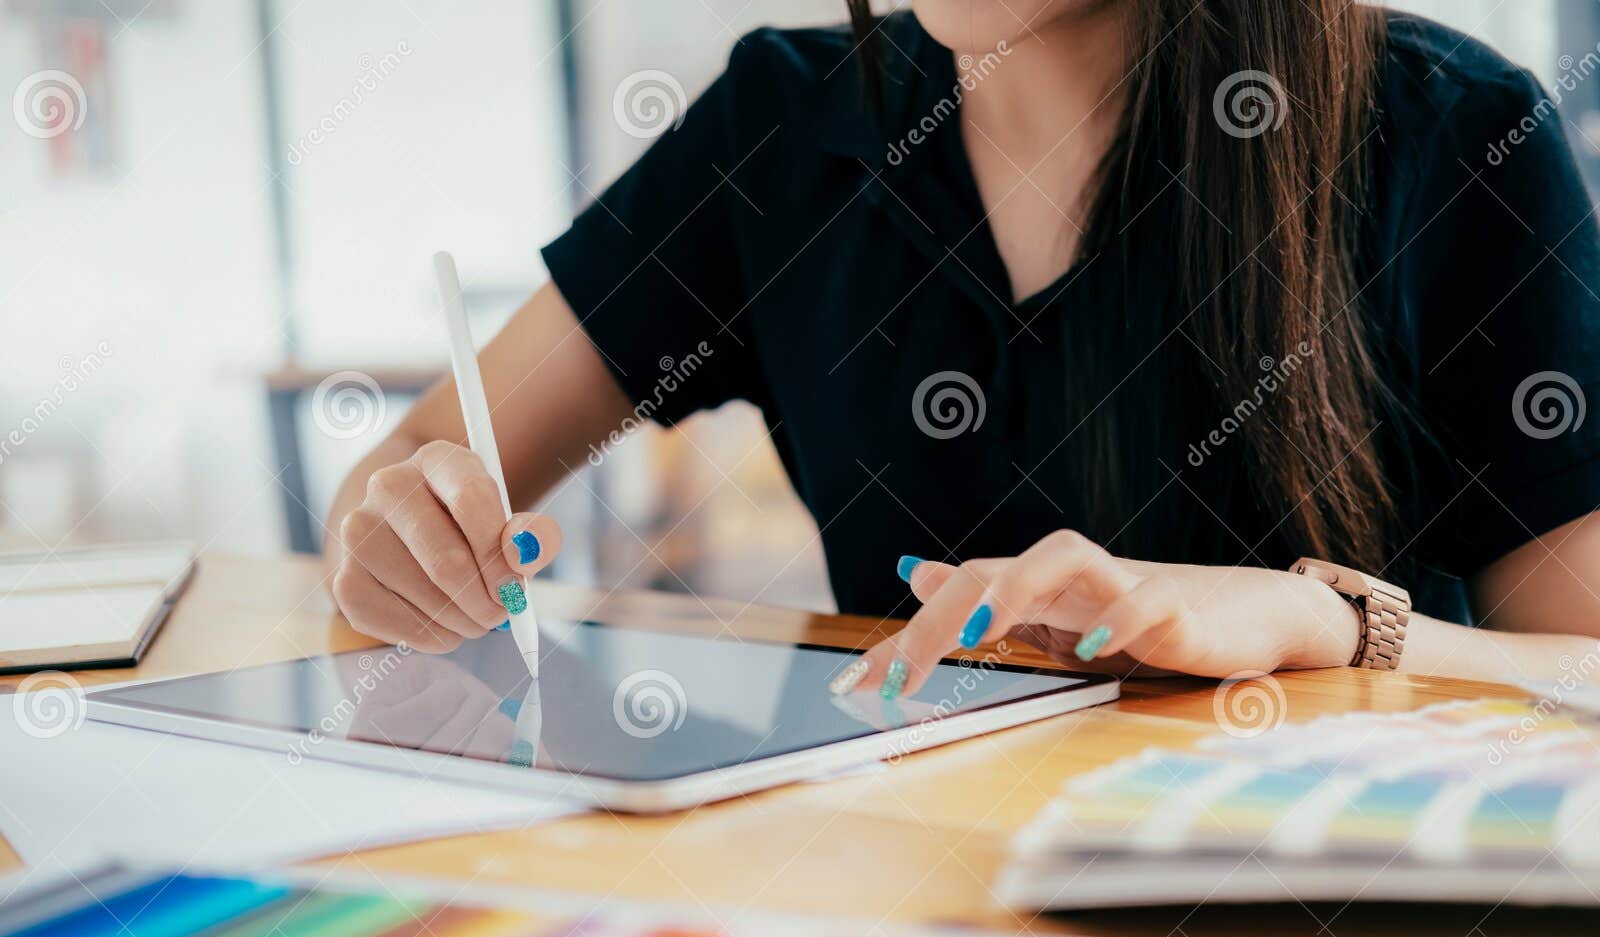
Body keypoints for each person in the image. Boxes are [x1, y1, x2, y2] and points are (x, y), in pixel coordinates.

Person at [323, 1, 1600, 702]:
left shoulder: (1453, 135)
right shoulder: (780, 126)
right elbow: (416, 463)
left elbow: (1585, 676)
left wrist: (1316, 620)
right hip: (902, 915)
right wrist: (396, 540)